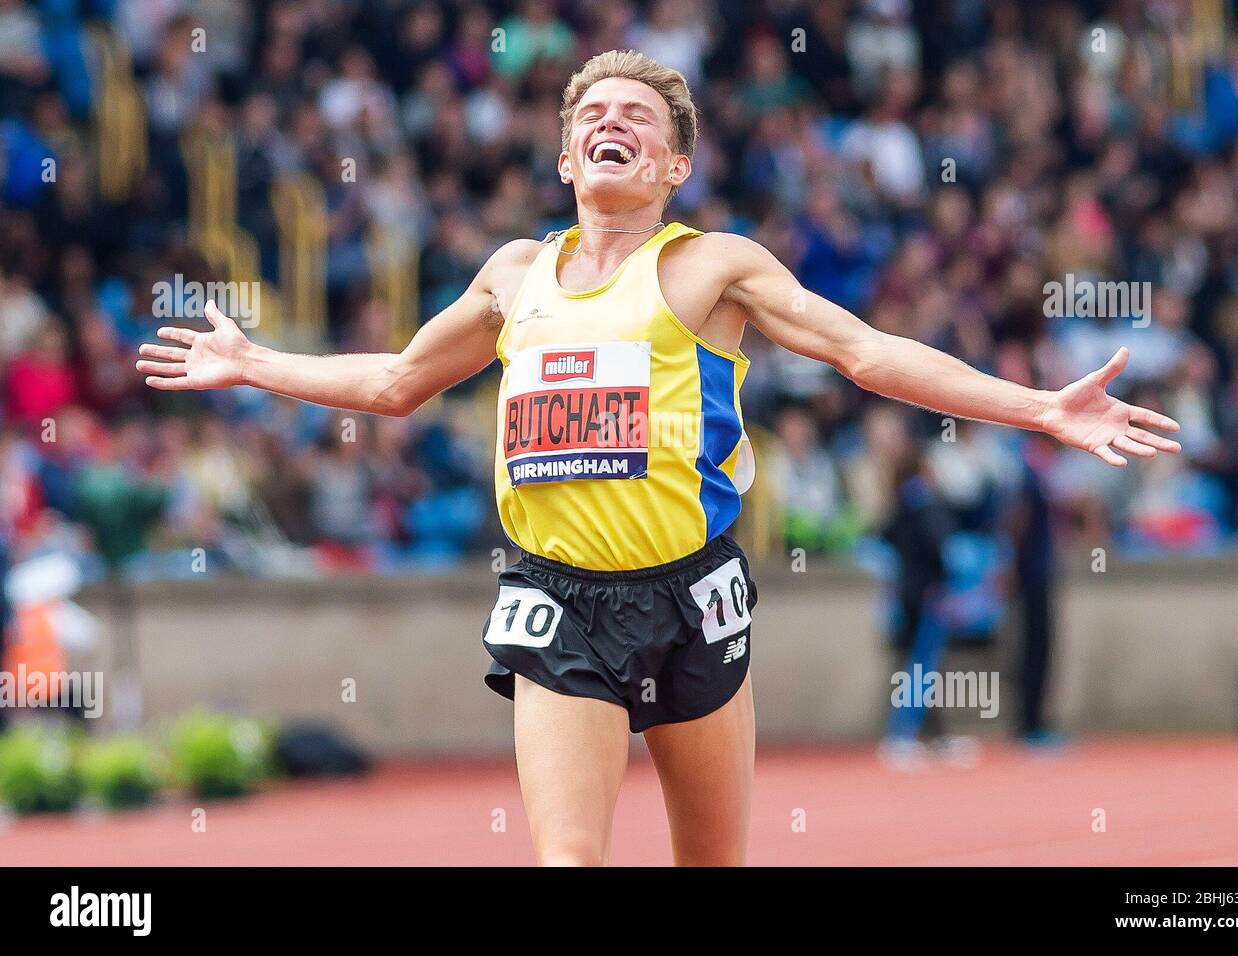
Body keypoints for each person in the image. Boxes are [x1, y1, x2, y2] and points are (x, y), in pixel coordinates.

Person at [135, 50, 1182, 866]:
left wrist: (1040, 406)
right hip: (558, 601)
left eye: (636, 117)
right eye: (590, 116)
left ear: (675, 166)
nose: (609, 123)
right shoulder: (514, 276)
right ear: (561, 159)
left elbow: (865, 352)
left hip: (692, 595)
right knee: (566, 853)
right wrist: (256, 363)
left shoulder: (712, 266)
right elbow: (398, 382)